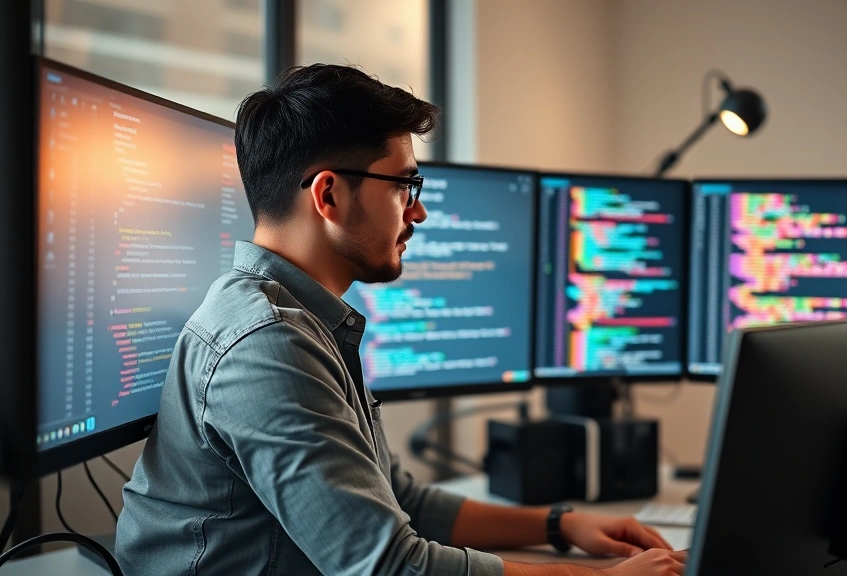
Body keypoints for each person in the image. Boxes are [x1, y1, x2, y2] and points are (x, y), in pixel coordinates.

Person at [116, 64, 686, 576]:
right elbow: (390, 567)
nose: (419, 210)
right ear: (329, 195)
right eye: (405, 186)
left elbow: (396, 498)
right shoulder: (267, 343)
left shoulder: (308, 320)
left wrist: (559, 526)